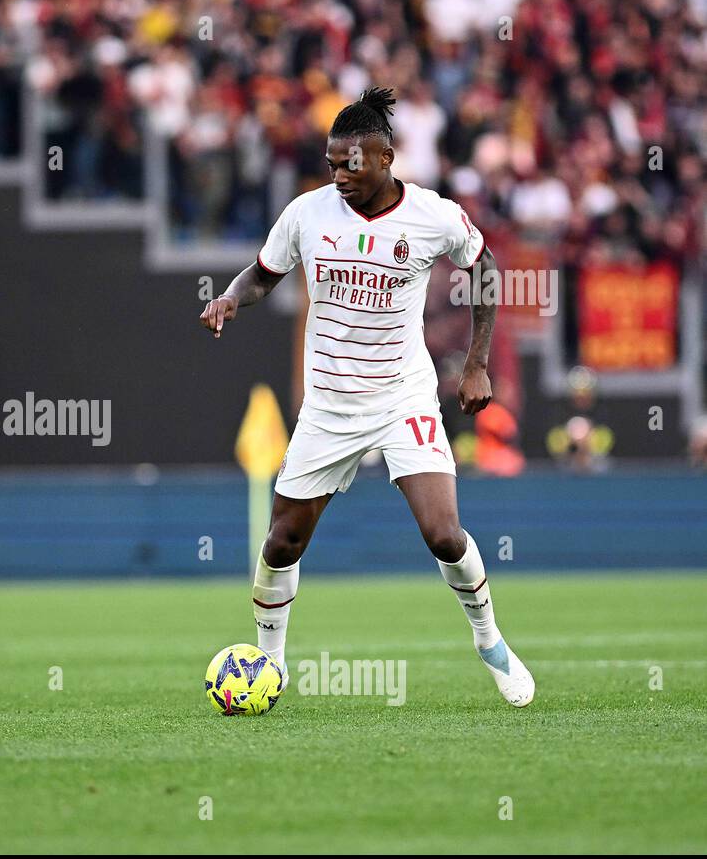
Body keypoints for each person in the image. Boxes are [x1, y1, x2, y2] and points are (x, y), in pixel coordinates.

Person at [200, 88, 534, 707]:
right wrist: (229, 297)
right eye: (331, 164)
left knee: (443, 533)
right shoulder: (307, 213)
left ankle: (490, 641)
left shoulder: (432, 215)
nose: (338, 176)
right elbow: (263, 275)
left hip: (403, 397)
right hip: (328, 405)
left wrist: (479, 363)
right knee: (282, 543)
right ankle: (270, 663)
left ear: (384, 158)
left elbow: (485, 268)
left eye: (349, 164)